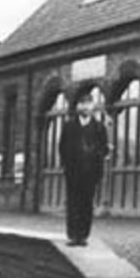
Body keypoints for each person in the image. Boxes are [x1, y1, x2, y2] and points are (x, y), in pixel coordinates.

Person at [58, 92, 109, 246]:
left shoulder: (99, 127)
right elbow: (62, 147)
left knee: (86, 203)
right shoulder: (69, 126)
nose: (85, 107)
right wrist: (66, 165)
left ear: (93, 107)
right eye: (82, 104)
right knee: (73, 203)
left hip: (91, 173)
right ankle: (73, 235)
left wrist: (96, 155)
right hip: (73, 172)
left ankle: (83, 235)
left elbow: (104, 149)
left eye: (88, 104)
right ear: (78, 107)